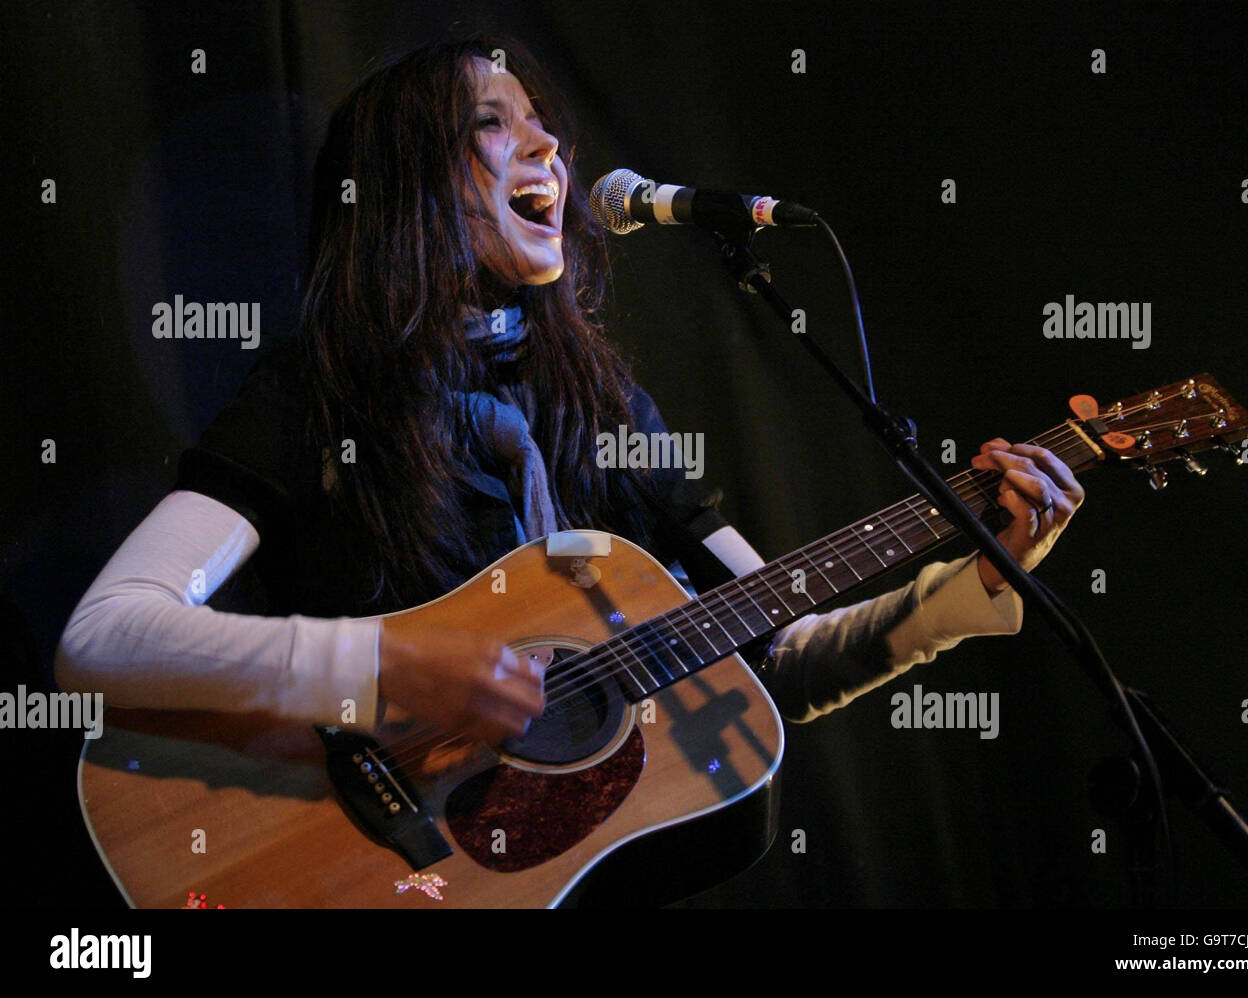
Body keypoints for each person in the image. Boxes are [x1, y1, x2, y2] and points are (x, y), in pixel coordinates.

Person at [55, 37, 1083, 748]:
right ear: (406, 184)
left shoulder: (602, 409)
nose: (550, 144)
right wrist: (394, 664)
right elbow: (102, 638)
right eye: (494, 124)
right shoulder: (316, 397)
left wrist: (975, 582)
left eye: (546, 123)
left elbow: (780, 654)